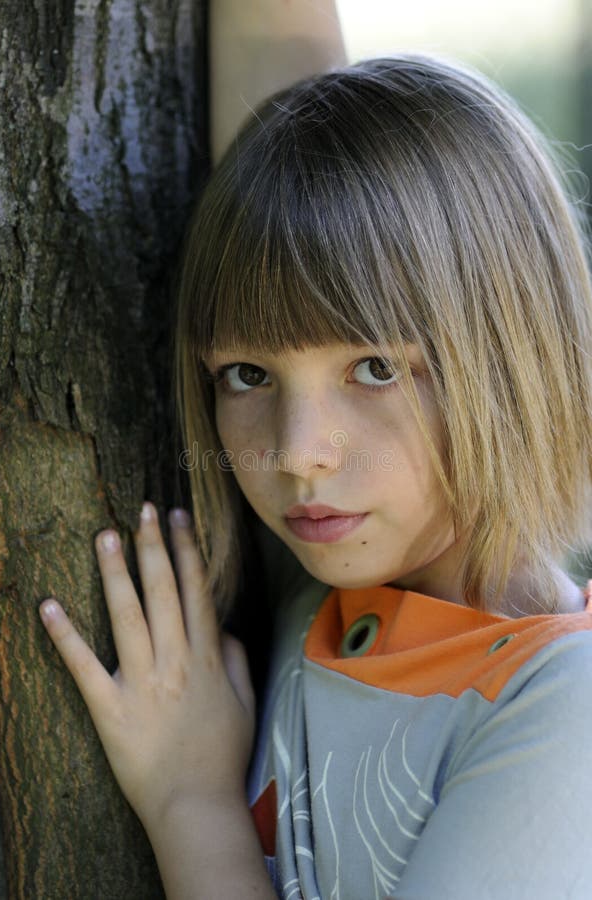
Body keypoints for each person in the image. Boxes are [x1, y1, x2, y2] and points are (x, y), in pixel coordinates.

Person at [38, 2, 592, 898]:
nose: (299, 456)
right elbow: (283, 114)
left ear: (513, 353)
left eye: (374, 367)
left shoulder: (563, 712)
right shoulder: (328, 579)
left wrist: (192, 803)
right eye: (248, 374)